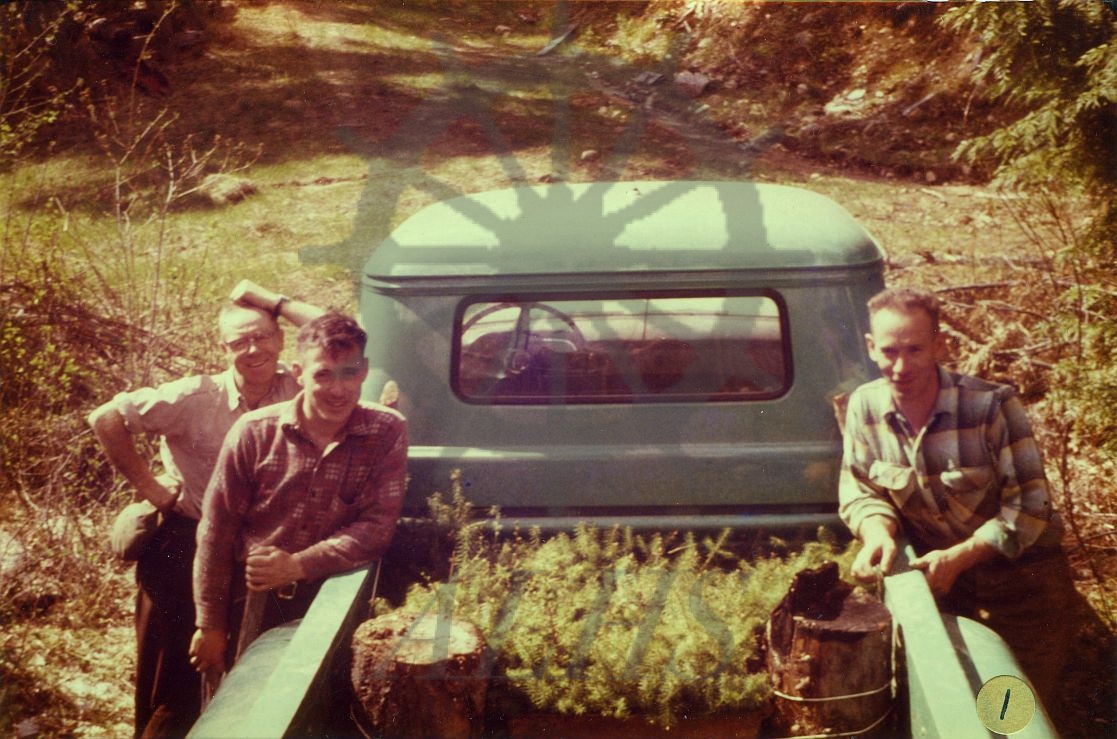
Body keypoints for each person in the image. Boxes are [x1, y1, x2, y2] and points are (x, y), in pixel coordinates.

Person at [88, 280, 324, 739]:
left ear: (280, 342)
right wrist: (153, 488)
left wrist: (266, 299)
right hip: (183, 546)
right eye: (239, 341)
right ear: (223, 349)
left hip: (257, 553)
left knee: (247, 669)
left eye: (262, 337)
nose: (253, 349)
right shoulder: (194, 397)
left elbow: (336, 331)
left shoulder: (297, 389)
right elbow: (106, 418)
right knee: (171, 675)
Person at [838, 286, 1077, 711]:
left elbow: (1030, 507)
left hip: (1025, 584)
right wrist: (877, 532)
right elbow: (861, 489)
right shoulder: (864, 407)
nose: (901, 366)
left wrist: (962, 556)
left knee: (1013, 712)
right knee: (956, 705)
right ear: (871, 348)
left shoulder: (991, 406)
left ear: (939, 344)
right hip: (947, 586)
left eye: (915, 350)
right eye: (889, 351)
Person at [188, 312, 407, 680]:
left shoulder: (386, 430)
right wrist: (209, 623)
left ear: (365, 370)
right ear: (298, 373)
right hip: (252, 604)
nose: (337, 389)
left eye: (349, 373)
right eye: (323, 374)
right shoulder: (253, 433)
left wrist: (296, 566)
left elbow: (376, 528)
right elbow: (216, 531)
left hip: (334, 601)